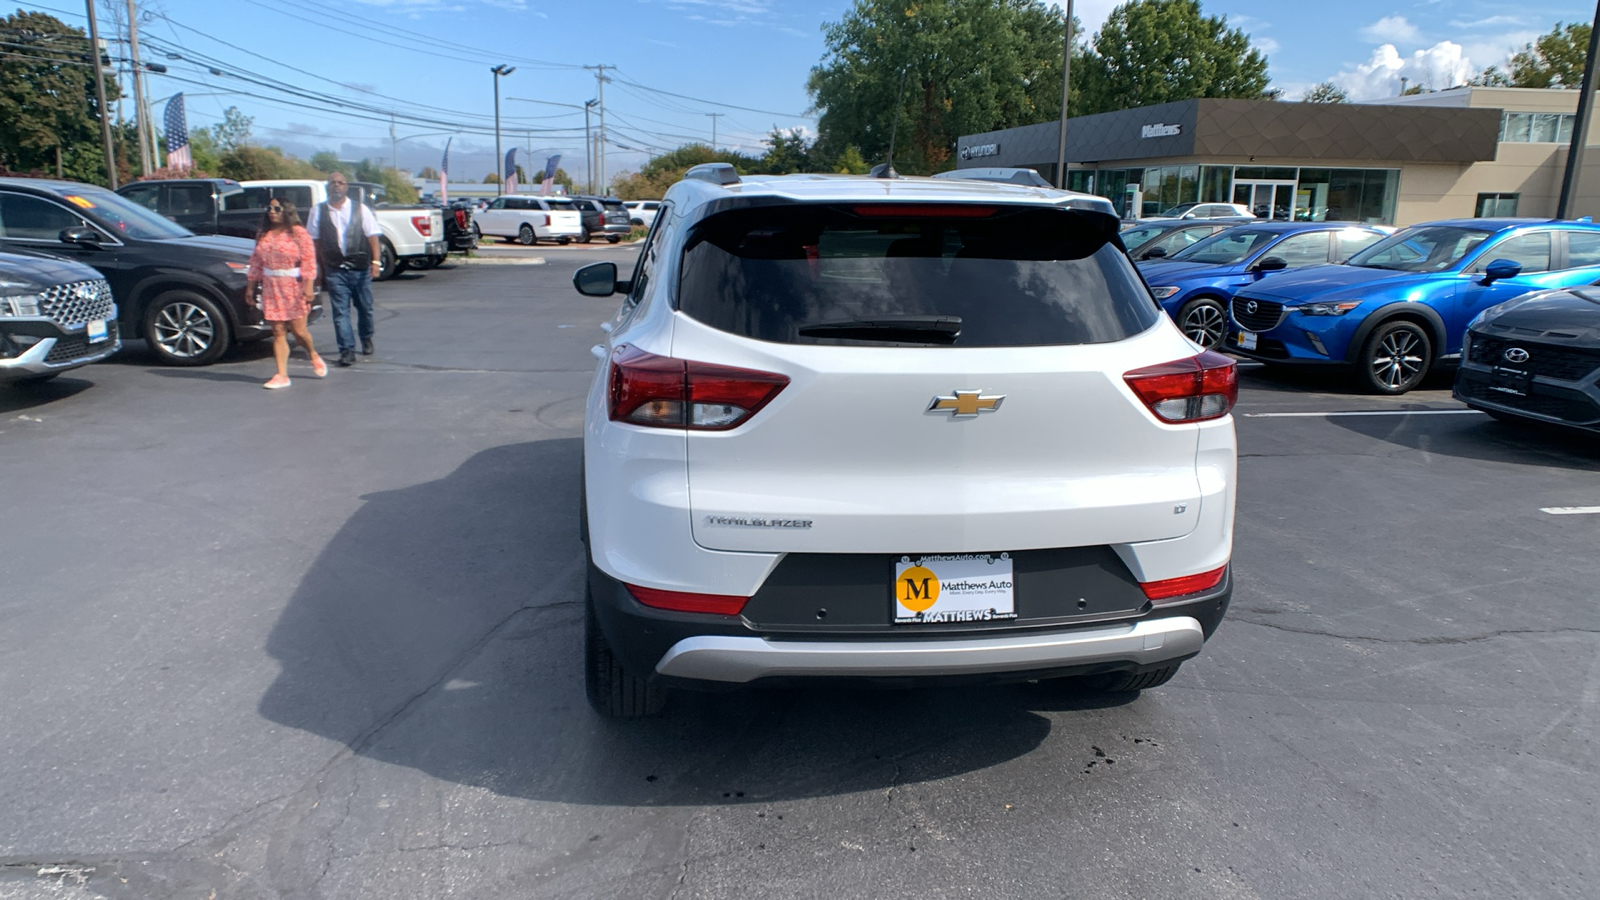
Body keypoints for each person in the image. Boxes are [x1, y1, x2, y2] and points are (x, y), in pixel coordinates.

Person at [246, 199, 325, 389]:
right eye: (269, 208)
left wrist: (308, 286)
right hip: (271, 286)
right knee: (278, 331)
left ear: (286, 210)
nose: (272, 212)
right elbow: (256, 261)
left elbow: (309, 260)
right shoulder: (263, 235)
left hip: (293, 286)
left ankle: (312, 354)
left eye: (276, 208)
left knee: (299, 331)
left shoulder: (298, 234)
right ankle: (282, 374)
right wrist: (250, 287)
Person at [306, 172, 382, 366]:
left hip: (360, 269)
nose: (336, 186)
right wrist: (315, 267)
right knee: (340, 312)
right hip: (335, 269)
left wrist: (376, 262)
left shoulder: (360, 209)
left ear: (346, 187)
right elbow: (314, 241)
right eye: (333, 183)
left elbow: (372, 236)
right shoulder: (318, 210)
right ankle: (346, 350)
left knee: (365, 308)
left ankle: (366, 337)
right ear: (327, 187)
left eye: (340, 183)